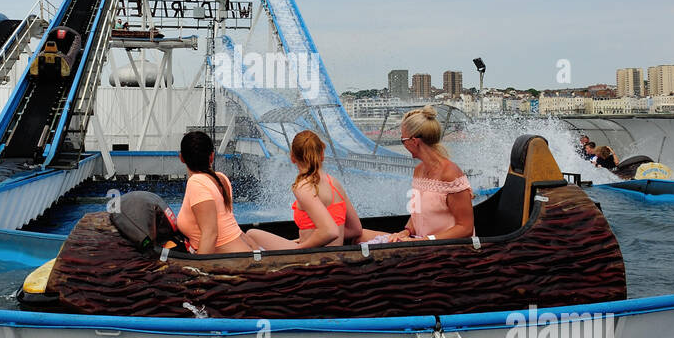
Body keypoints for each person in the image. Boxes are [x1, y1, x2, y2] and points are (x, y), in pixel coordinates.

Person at [244, 131, 381, 250]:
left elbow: (330, 231)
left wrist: (300, 248)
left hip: (313, 257)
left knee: (251, 235)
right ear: (322, 154)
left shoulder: (304, 187)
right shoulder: (334, 183)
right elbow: (356, 229)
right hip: (334, 254)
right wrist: (314, 237)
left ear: (293, 157)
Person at [387, 106, 474, 242]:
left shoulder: (451, 175)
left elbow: (466, 228)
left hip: (448, 250)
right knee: (360, 236)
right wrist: (406, 231)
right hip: (421, 244)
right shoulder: (418, 171)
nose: (403, 144)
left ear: (414, 141)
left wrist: (425, 241)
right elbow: (417, 213)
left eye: (402, 140)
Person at [175, 130, 252, 254]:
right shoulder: (221, 179)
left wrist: (198, 269)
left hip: (235, 261)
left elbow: (210, 235)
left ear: (181, 158)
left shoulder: (196, 183)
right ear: (211, 156)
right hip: (246, 249)